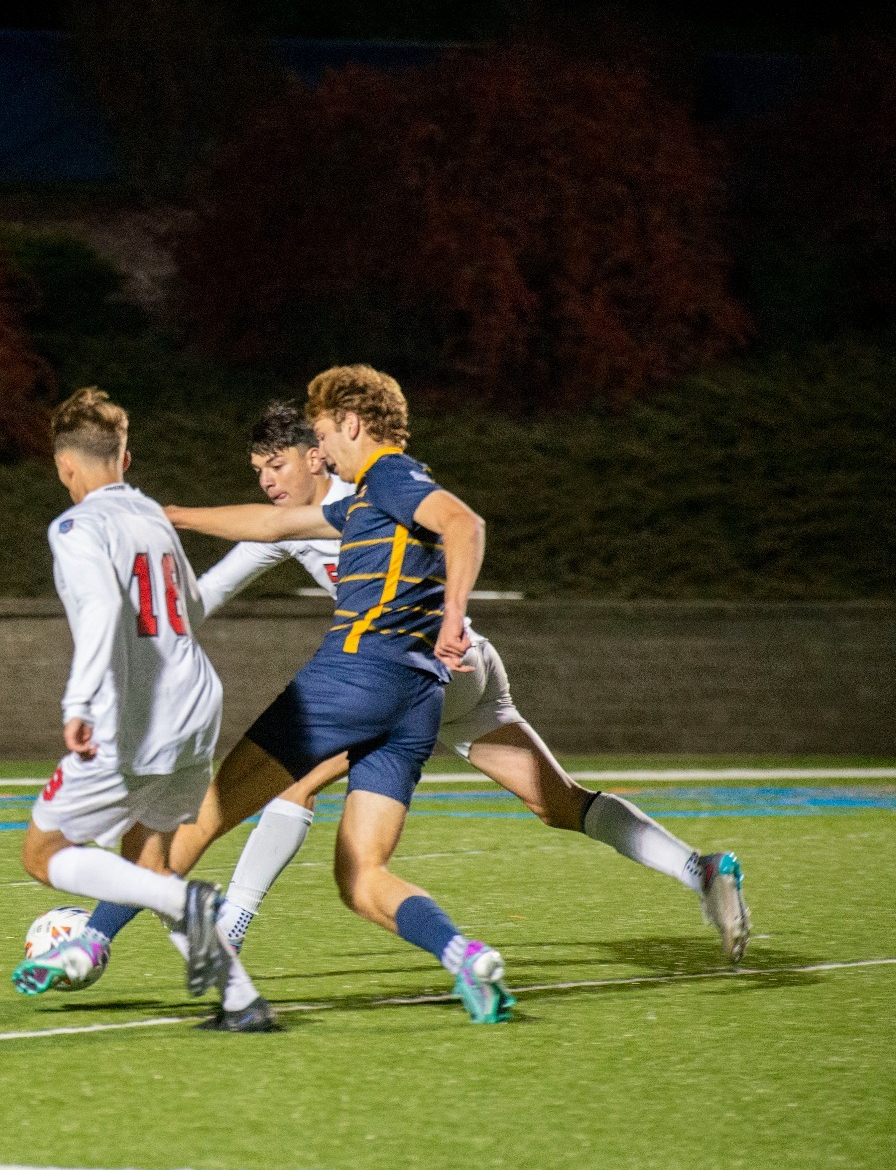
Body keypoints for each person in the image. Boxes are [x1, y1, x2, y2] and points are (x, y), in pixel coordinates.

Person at [82, 403, 751, 978]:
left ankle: (197, 930)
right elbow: (227, 572)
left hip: (416, 674)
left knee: (272, 788)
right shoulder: (319, 514)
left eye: (277, 466)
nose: (267, 481)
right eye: (259, 470)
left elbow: (451, 522)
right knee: (559, 803)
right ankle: (701, 868)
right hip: (465, 671)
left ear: (321, 454)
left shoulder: (371, 492)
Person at [59, 365, 512, 1023]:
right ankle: (465, 955)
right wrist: (172, 513)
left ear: (352, 425)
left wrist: (453, 614)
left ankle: (89, 942)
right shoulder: (367, 500)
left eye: (325, 433)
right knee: (360, 876)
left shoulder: (388, 475)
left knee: (203, 809)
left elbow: (464, 524)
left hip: (353, 675)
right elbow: (276, 525)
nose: (321, 448)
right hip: (416, 698)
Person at [9, 388, 275, 1031]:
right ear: (125, 457)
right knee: (146, 859)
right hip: (196, 706)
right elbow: (194, 604)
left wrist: (77, 701)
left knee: (43, 854)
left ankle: (182, 901)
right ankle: (243, 1003)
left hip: (132, 719)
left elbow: (100, 611)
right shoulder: (152, 516)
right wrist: (258, 555)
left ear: (65, 466)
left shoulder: (76, 527)